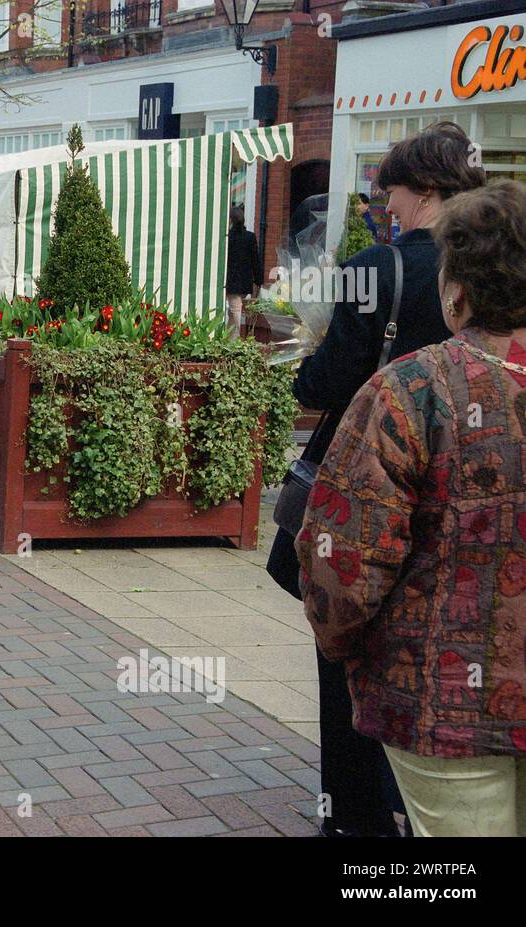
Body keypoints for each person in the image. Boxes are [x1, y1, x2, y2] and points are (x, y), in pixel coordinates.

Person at [268, 121, 487, 837]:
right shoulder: (488, 268)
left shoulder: (380, 266)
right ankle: (425, 799)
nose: (385, 203)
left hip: (378, 481)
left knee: (348, 647)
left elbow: (327, 380)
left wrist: (307, 353)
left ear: (422, 190)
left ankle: (355, 816)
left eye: (391, 190)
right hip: (466, 484)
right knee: (442, 643)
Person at [296, 180, 526, 837]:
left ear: (457, 290)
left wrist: (345, 648)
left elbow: (340, 560)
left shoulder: (413, 390)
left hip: (442, 702)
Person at [225, 205, 259, 331]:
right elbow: (255, 259)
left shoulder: (228, 237)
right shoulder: (250, 237)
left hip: (232, 279)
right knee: (235, 310)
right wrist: (258, 279)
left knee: (234, 311)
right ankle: (231, 340)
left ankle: (233, 341)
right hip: (245, 280)